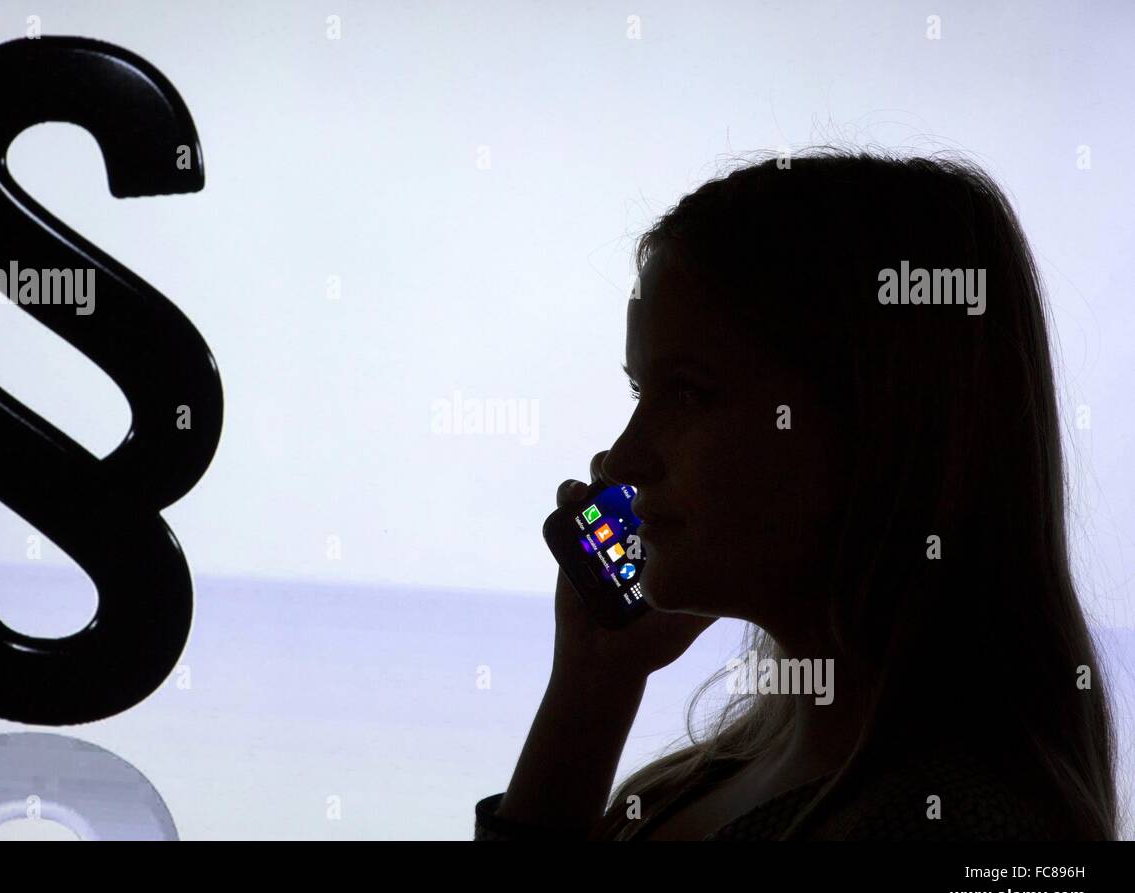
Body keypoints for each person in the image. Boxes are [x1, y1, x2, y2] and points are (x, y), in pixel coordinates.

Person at [475, 149, 1119, 840]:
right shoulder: (742, 772)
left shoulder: (943, 824)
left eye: (689, 393)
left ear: (879, 427)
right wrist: (596, 676)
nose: (624, 458)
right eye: (641, 392)